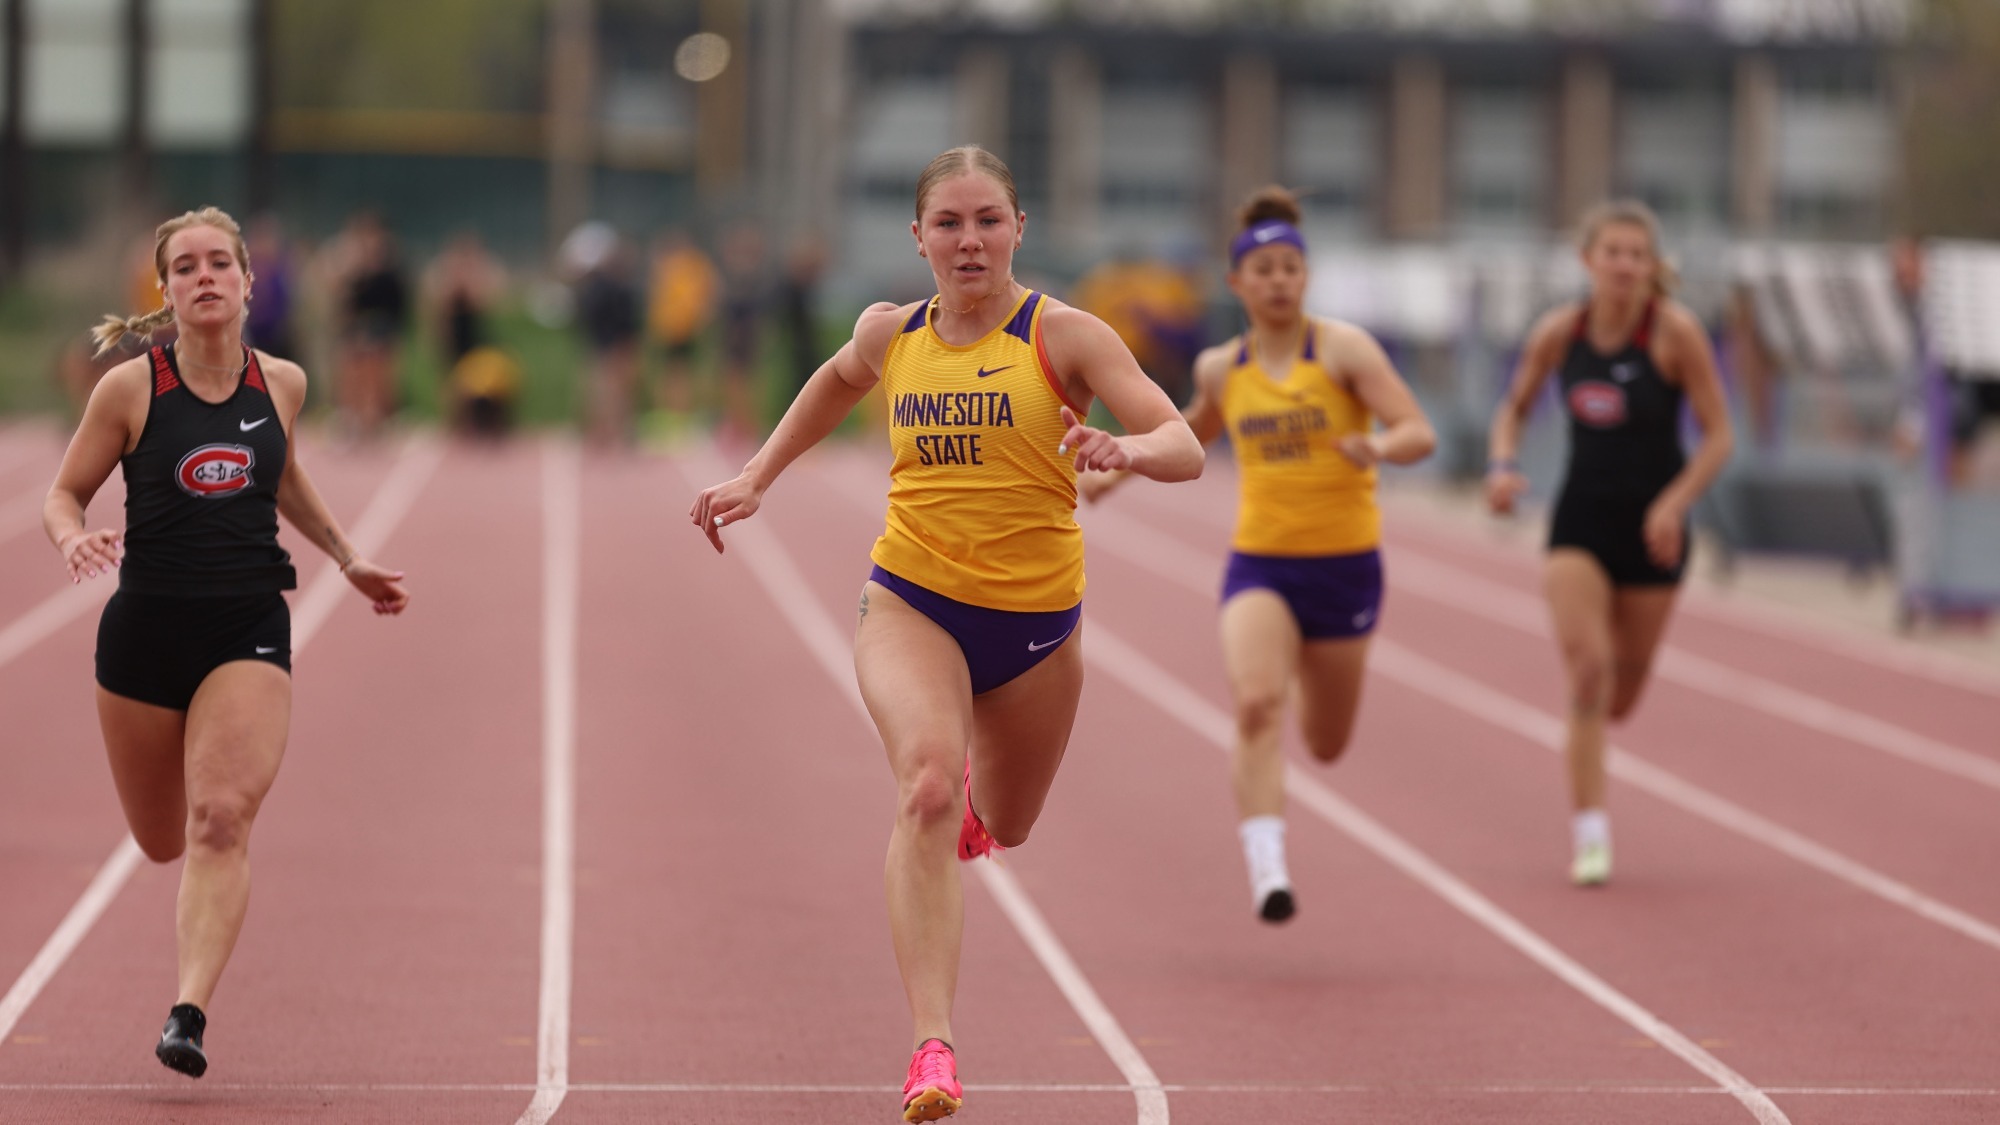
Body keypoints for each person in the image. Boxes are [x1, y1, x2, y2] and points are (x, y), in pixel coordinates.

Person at [689, 145, 1202, 1122]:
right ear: (916, 236)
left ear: (1018, 229)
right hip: (912, 599)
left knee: (1005, 823)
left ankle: (973, 808)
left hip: (1036, 631)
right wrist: (757, 474)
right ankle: (933, 1047)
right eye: (949, 223)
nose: (969, 241)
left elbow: (1182, 445)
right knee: (925, 784)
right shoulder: (891, 334)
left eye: (988, 221)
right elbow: (835, 381)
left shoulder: (1068, 336)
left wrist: (1123, 446)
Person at [42, 207, 411, 1078]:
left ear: (250, 280)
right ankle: (186, 966)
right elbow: (64, 493)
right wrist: (71, 538)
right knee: (164, 838)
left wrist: (347, 556)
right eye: (186, 268)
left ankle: (187, 1013)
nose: (204, 278)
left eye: (220, 263)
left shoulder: (281, 382)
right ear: (164, 292)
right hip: (142, 635)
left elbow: (281, 472)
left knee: (219, 818)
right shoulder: (132, 388)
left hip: (247, 621)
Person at [1081, 186, 1435, 923]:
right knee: (1254, 704)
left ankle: (1307, 676)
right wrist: (1114, 474)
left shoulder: (1343, 350)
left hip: (1344, 567)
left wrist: (1379, 444)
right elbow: (1190, 430)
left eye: (1289, 268)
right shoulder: (1221, 367)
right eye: (1262, 270)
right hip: (1262, 564)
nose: (1277, 280)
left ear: (1305, 277)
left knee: (1327, 742)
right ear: (1237, 283)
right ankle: (1268, 865)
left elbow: (1417, 431)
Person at [1486, 199, 1733, 886]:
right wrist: (1503, 465)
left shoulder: (1674, 335)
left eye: (1637, 254)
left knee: (1622, 696)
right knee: (1588, 668)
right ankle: (1590, 832)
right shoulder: (1560, 334)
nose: (1624, 265)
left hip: (1654, 533)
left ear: (1651, 267)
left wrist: (1674, 505)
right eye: (1613, 252)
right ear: (1587, 259)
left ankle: (1595, 750)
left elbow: (1720, 435)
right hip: (1581, 524)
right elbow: (1514, 406)